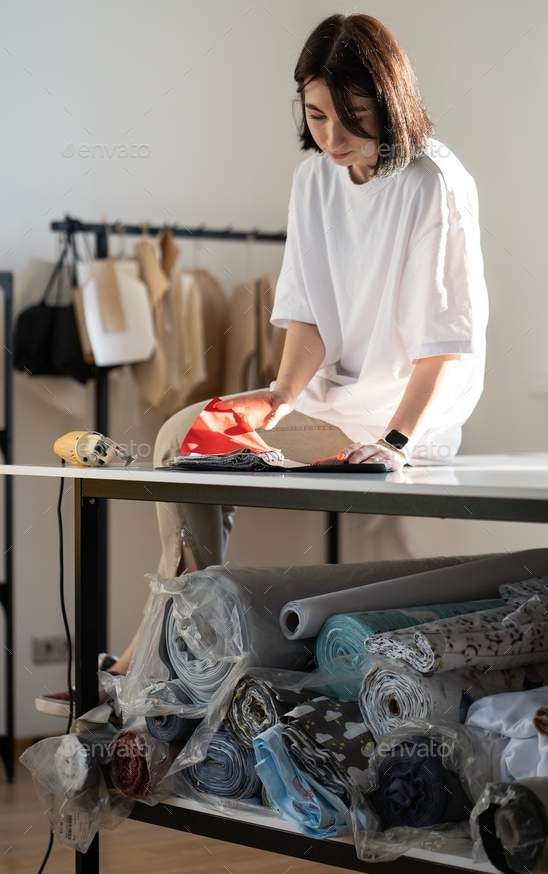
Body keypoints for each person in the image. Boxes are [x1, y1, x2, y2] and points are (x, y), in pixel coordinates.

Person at [37, 12, 488, 713]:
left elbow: (442, 346)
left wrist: (395, 442)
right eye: (315, 116)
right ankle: (182, 646)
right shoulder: (314, 180)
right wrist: (276, 396)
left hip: (405, 418)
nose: (332, 138)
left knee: (211, 444)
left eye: (352, 116)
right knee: (181, 435)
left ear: (388, 102)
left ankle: (147, 656)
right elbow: (307, 317)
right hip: (326, 405)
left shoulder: (434, 183)